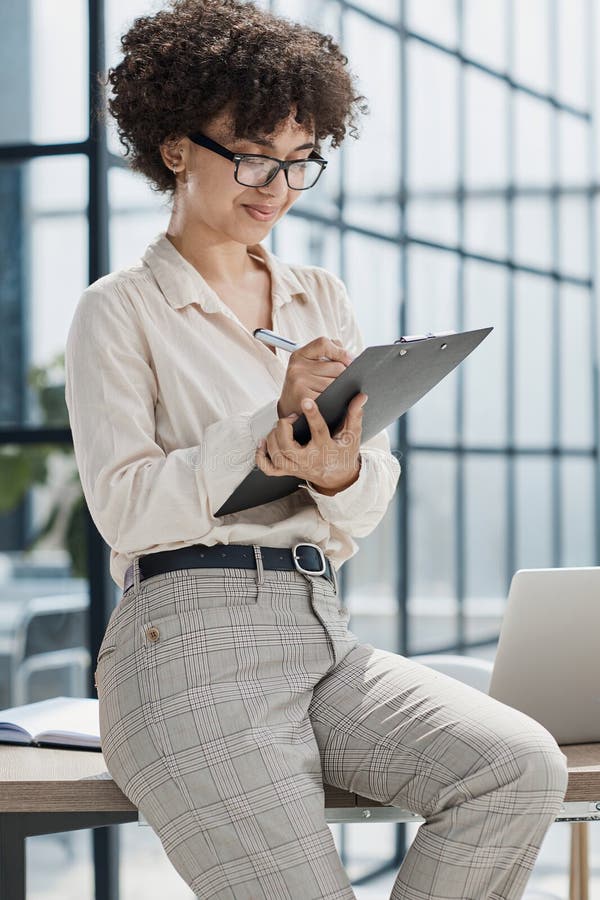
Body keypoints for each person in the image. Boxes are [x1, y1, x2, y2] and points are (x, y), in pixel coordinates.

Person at [64, 1, 569, 897]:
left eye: (302, 163)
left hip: (321, 632)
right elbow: (125, 507)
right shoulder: (121, 307)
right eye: (253, 156)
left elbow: (357, 505)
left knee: (515, 768)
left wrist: (341, 472)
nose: (278, 186)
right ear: (176, 148)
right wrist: (265, 428)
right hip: (179, 641)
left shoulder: (318, 295)